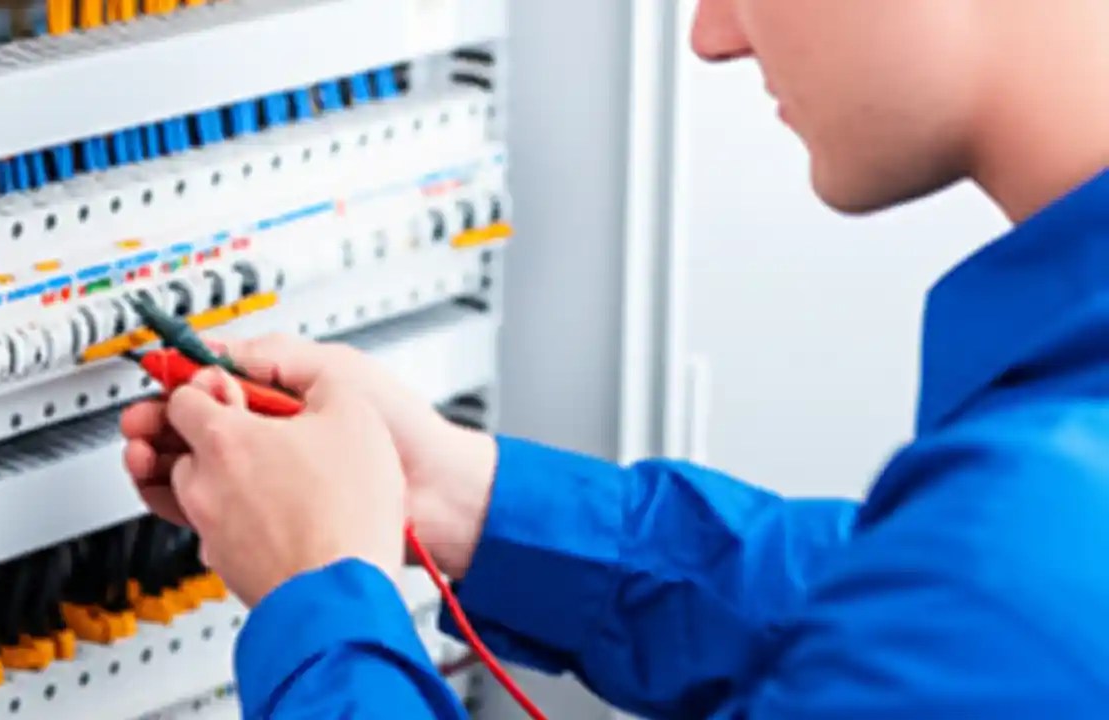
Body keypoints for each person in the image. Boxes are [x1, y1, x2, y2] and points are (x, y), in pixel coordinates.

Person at [119, 0, 1109, 717]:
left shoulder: (1023, 549)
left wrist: (320, 600)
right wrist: (465, 500)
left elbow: (971, 612)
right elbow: (891, 618)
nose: (710, 34)